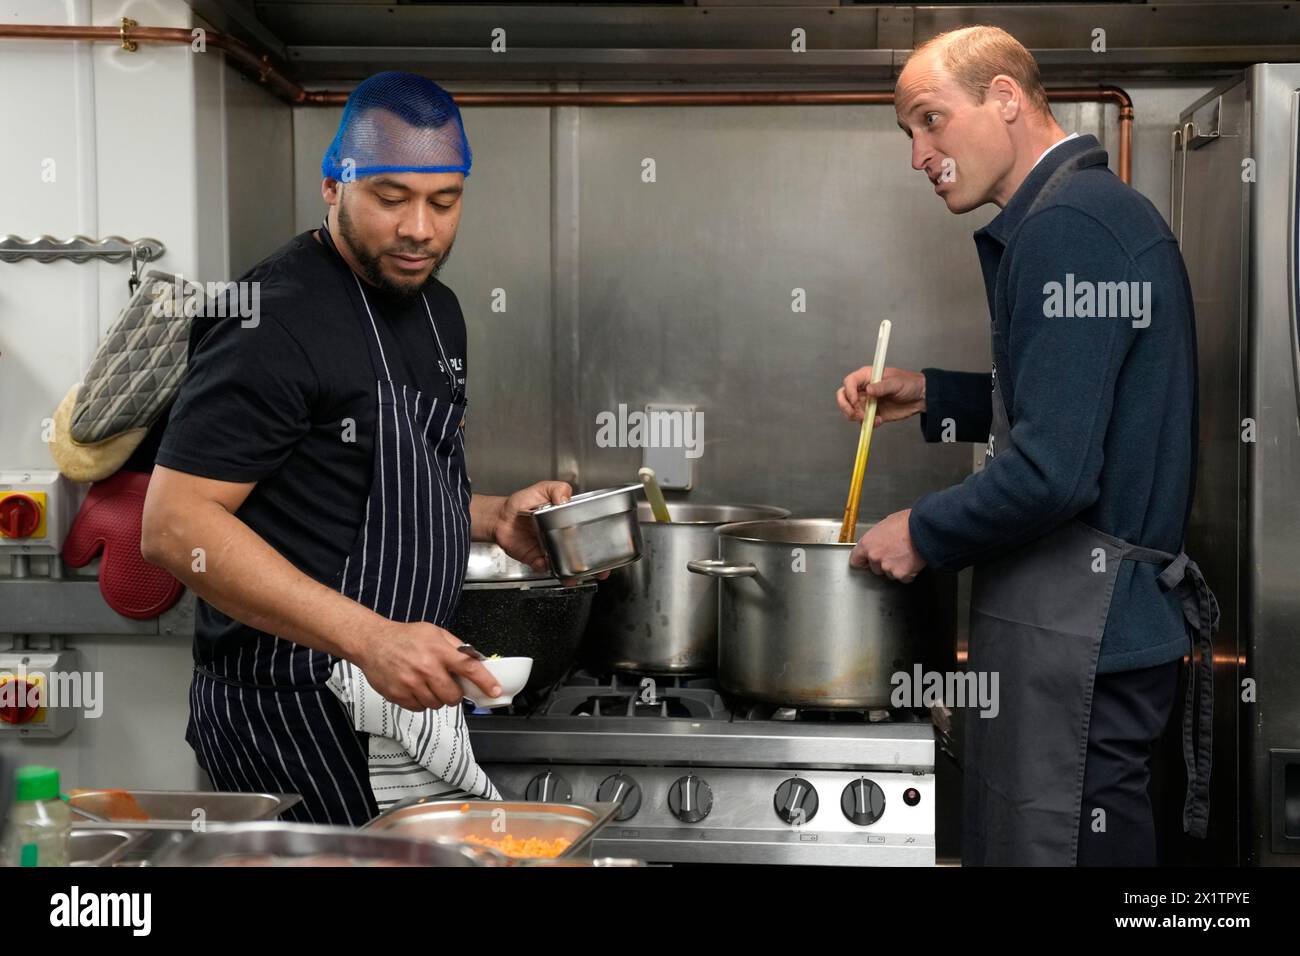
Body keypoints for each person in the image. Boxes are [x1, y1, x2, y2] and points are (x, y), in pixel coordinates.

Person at [142, 72, 570, 823]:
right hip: (289, 712)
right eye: (390, 197)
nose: (420, 230)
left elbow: (369, 487)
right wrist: (371, 639)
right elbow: (175, 526)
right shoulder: (270, 322)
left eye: (444, 202)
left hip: (397, 698)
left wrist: (495, 515)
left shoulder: (436, 309)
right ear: (333, 188)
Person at [835, 27, 1218, 865]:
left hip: (1088, 645)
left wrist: (920, 532)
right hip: (1094, 637)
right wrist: (936, 394)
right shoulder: (1090, 214)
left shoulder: (1067, 229)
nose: (917, 154)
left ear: (1005, 98)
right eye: (908, 133)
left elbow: (1055, 473)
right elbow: (1084, 411)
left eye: (930, 120)